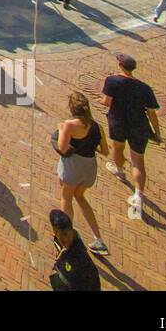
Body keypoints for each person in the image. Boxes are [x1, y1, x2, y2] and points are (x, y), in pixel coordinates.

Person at [102, 53, 161, 217]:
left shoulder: (112, 81)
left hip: (118, 122)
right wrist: (157, 133)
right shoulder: (144, 88)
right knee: (138, 162)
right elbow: (152, 113)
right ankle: (138, 195)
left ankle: (120, 170)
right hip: (139, 126)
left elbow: (106, 102)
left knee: (118, 148)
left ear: (120, 65)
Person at [54, 91, 110, 256]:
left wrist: (60, 129)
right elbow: (105, 151)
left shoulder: (68, 125)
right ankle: (98, 239)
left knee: (66, 198)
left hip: (73, 167)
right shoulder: (97, 127)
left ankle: (66, 239)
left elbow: (62, 148)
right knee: (80, 197)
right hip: (89, 168)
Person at [48, 209, 101, 291]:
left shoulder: (81, 259)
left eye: (66, 234)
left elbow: (92, 283)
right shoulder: (59, 241)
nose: (65, 239)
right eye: (60, 234)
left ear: (71, 230)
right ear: (55, 231)